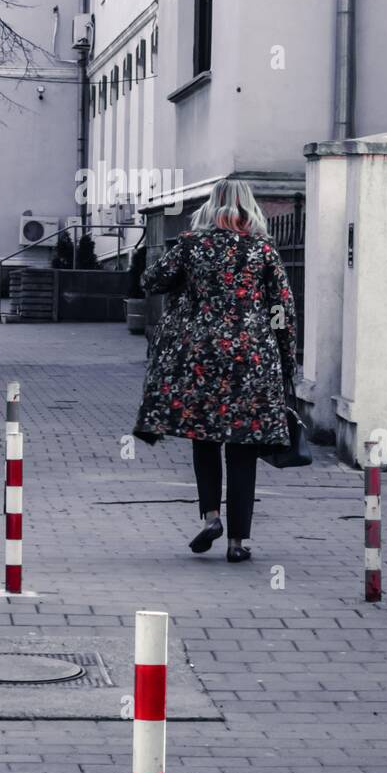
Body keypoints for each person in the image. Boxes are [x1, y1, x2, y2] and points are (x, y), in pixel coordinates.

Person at [133, 179, 297, 562]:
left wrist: (184, 280)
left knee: (204, 438)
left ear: (212, 204)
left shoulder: (191, 245)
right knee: (243, 448)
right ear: (250, 206)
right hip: (252, 359)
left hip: (201, 357)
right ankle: (239, 543)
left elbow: (150, 280)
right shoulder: (263, 250)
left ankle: (211, 516)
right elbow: (281, 310)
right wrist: (285, 358)